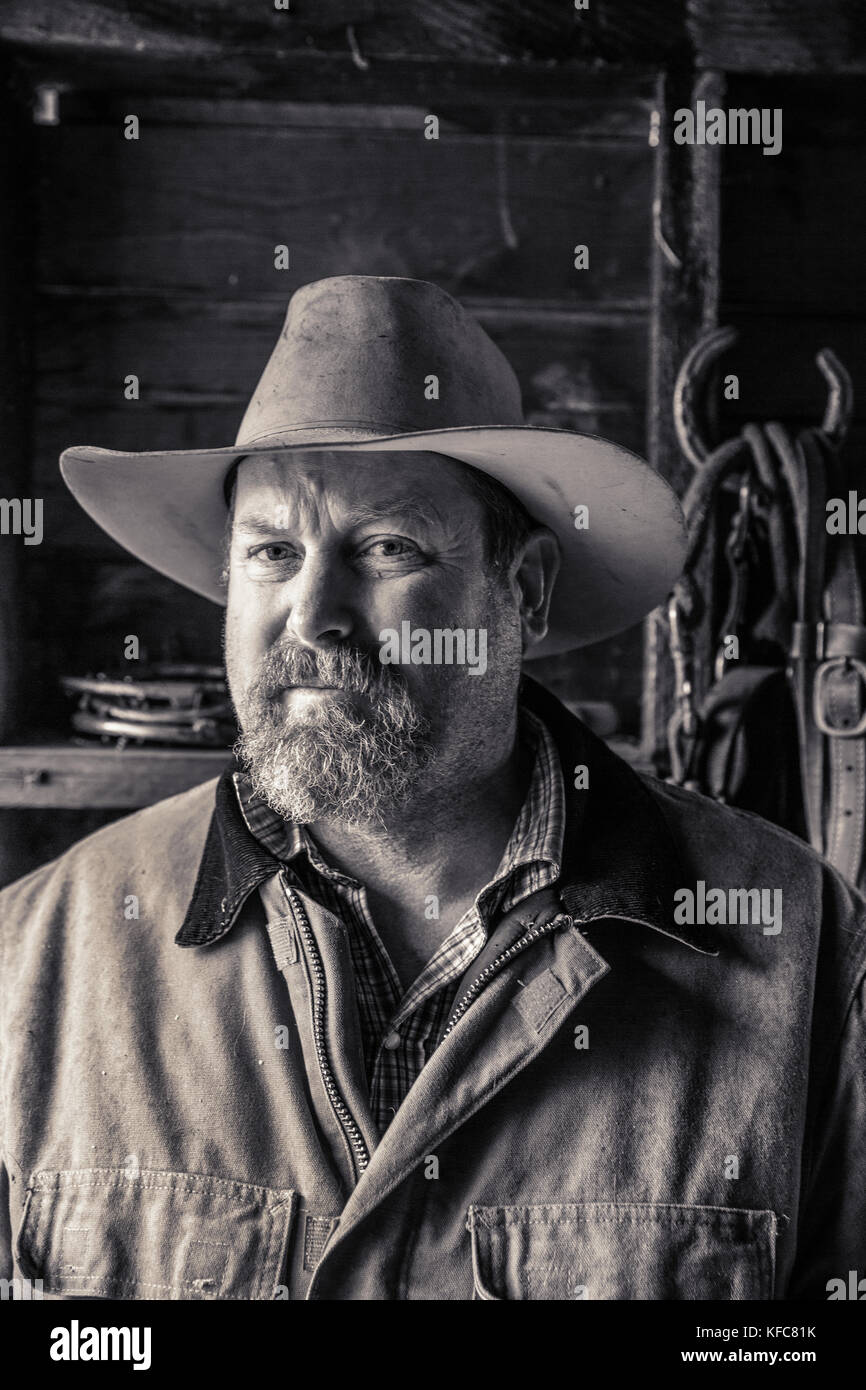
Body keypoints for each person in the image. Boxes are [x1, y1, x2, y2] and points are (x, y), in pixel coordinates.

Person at [1, 276, 863, 1301]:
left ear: (524, 591)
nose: (313, 615)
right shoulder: (36, 957)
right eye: (271, 553)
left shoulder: (800, 950)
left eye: (383, 549)